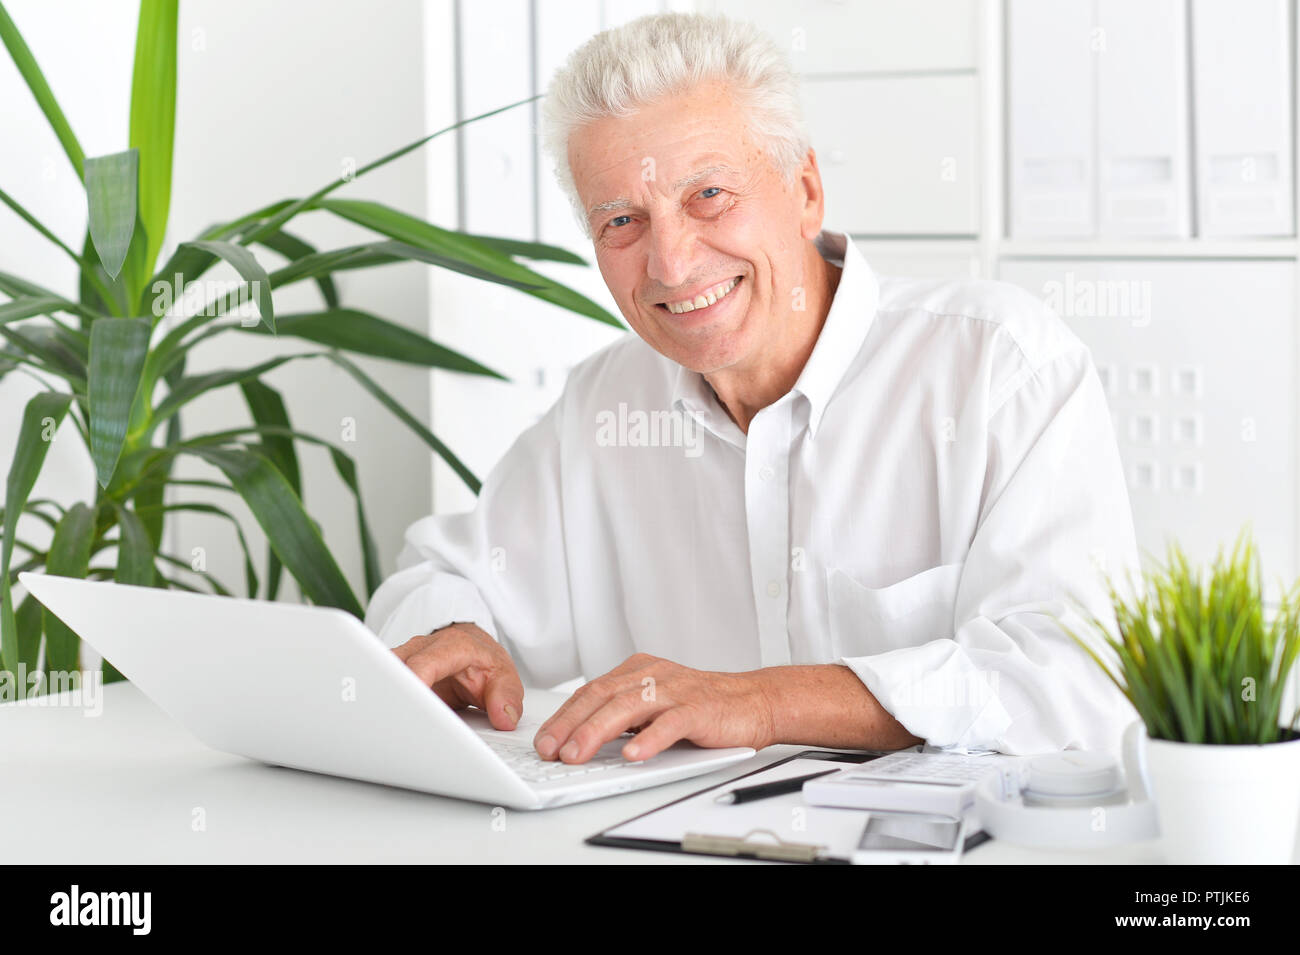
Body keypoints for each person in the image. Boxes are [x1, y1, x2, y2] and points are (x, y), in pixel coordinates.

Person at [364, 11, 1139, 765]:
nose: (670, 263)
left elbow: (1069, 679)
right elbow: (442, 572)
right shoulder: (604, 405)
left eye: (708, 196)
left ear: (805, 189)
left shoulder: (1000, 367)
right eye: (623, 221)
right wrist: (454, 630)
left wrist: (761, 701)